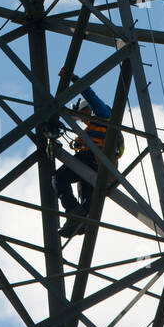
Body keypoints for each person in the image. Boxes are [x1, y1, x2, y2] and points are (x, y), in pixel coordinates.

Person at [53, 72, 122, 238]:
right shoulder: (91, 128)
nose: (82, 120)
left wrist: (74, 79)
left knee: (59, 178)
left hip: (94, 160)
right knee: (86, 195)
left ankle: (74, 213)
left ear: (88, 109)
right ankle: (80, 220)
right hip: (101, 167)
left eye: (83, 114)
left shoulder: (103, 114)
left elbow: (91, 96)